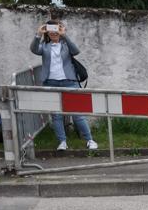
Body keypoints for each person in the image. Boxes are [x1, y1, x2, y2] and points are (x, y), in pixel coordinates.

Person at [30, 20, 98, 151]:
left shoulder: (66, 45)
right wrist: (38, 34)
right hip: (50, 83)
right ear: (47, 32)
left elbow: (76, 51)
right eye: (51, 29)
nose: (54, 32)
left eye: (56, 29)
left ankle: (89, 140)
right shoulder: (44, 46)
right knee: (56, 115)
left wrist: (64, 35)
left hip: (69, 82)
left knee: (77, 114)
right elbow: (34, 49)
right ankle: (62, 142)